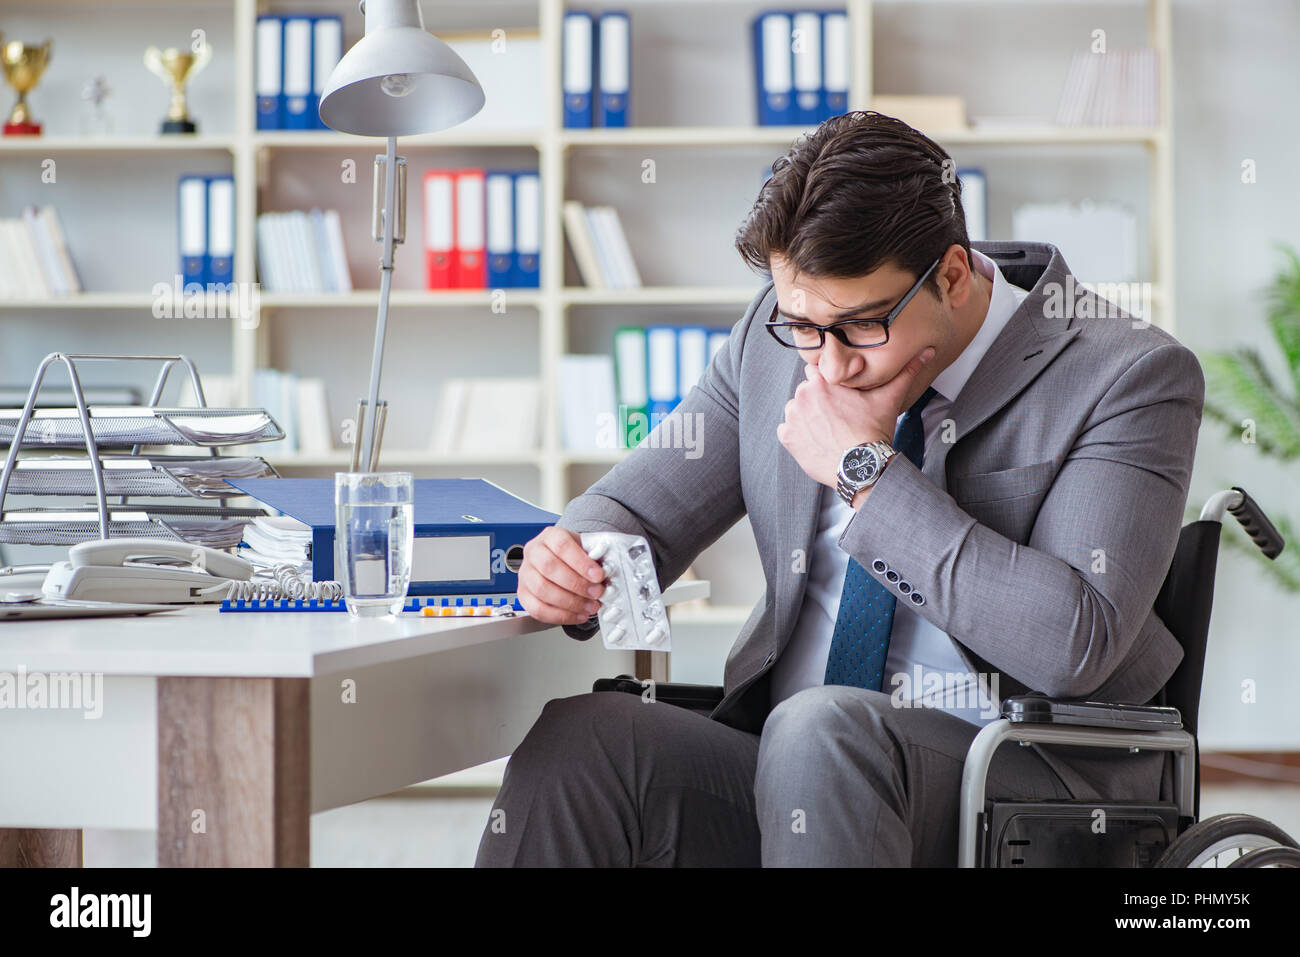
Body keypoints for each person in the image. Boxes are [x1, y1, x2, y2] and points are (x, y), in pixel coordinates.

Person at [475, 110, 1203, 867]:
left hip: (1017, 783)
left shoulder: (1126, 373)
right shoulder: (776, 336)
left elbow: (1071, 643)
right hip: (789, 765)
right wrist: (573, 551)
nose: (825, 367)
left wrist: (866, 471)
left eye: (859, 328)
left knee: (822, 731)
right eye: (803, 327)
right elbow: (634, 506)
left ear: (952, 276)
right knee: (585, 736)